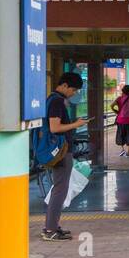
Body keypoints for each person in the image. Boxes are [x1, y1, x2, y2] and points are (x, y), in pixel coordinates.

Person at [42, 71, 90, 241]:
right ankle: (50, 229)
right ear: (64, 86)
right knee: (60, 190)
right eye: (73, 90)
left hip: (59, 150)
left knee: (59, 189)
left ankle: (52, 226)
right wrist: (76, 124)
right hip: (61, 152)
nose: (74, 93)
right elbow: (54, 128)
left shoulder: (52, 99)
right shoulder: (56, 101)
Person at [112, 84, 129, 157]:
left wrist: (116, 112)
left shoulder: (119, 98)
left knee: (121, 135)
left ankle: (123, 150)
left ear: (123, 91)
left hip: (121, 120)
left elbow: (112, 106)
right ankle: (128, 152)